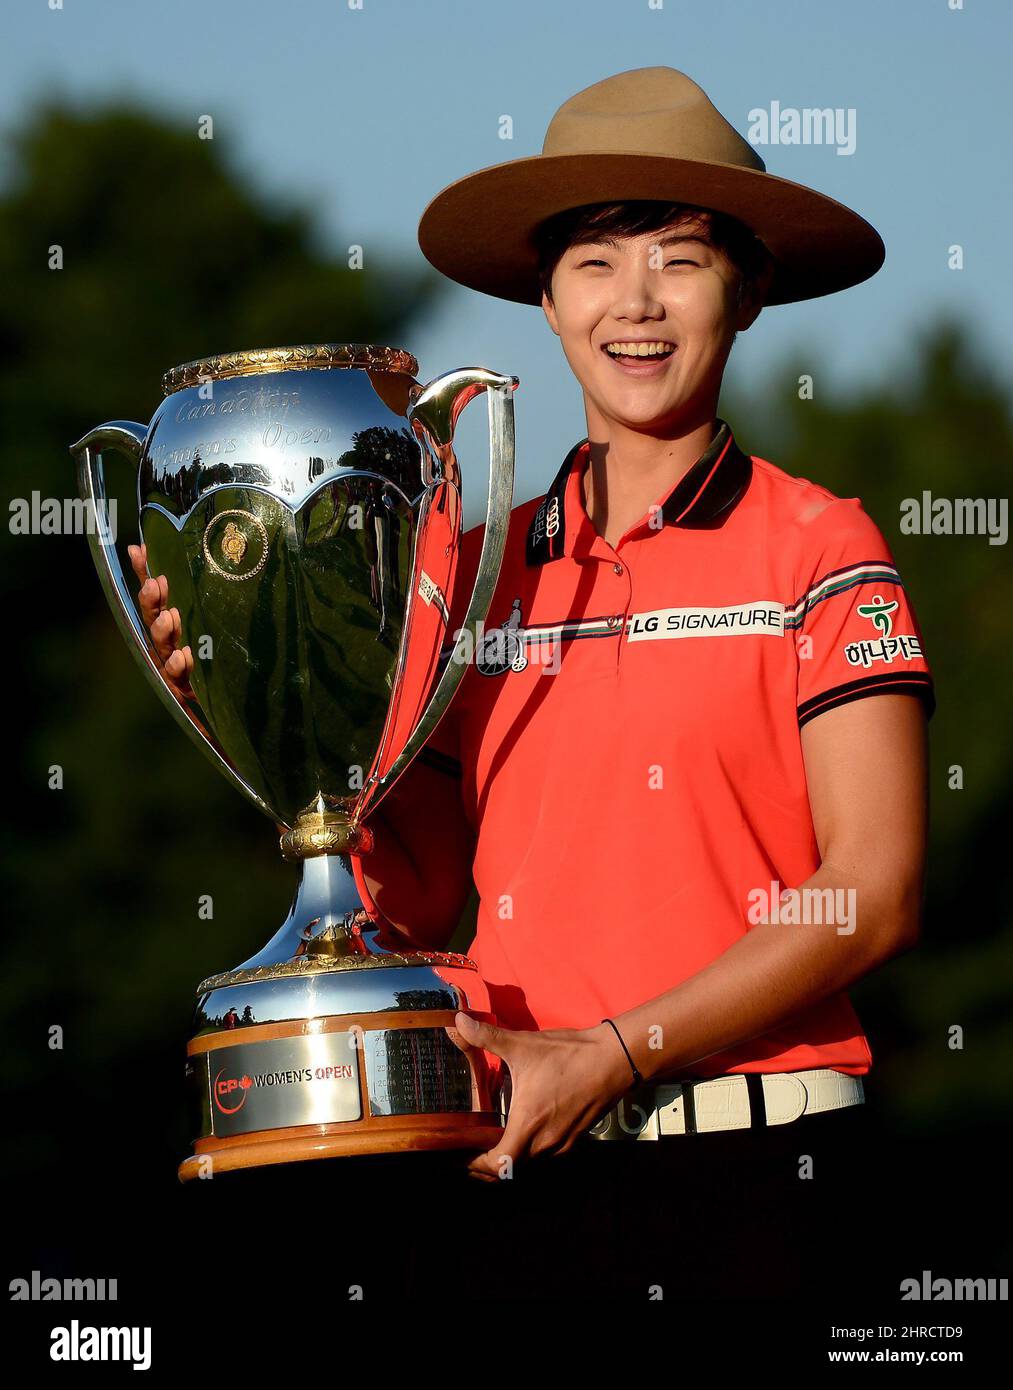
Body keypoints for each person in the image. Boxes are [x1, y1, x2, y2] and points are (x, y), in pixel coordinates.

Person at [132, 67, 934, 1302]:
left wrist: (615, 1053)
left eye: (680, 258)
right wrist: (257, 698)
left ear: (749, 288)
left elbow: (869, 894)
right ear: (547, 300)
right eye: (596, 264)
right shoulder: (471, 567)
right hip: (516, 1174)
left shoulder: (821, 548)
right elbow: (418, 882)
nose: (638, 304)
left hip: (765, 1174)